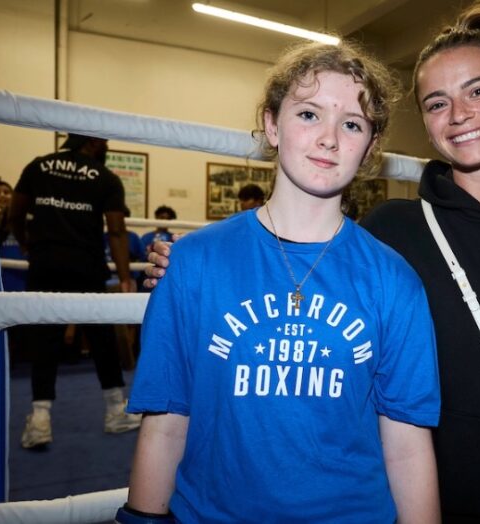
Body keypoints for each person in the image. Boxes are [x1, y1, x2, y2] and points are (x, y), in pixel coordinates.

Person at [145, 6, 480, 522]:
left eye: (478, 90)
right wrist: (183, 269)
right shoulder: (395, 230)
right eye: (437, 102)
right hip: (423, 504)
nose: (459, 114)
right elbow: (300, 265)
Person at [121, 41, 441, 523]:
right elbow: (166, 422)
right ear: (272, 124)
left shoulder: (394, 281)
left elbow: (407, 445)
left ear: (371, 147)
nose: (330, 139)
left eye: (351, 124)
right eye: (309, 115)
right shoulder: (191, 264)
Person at [9, 133, 141, 449]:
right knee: (101, 337)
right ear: (93, 142)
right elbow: (117, 230)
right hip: (86, 264)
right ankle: (114, 411)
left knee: (45, 338)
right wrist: (125, 279)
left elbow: (15, 212)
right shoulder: (105, 177)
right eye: (105, 142)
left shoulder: (39, 166)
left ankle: (40, 420)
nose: (107, 148)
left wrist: (28, 245)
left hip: (45, 263)